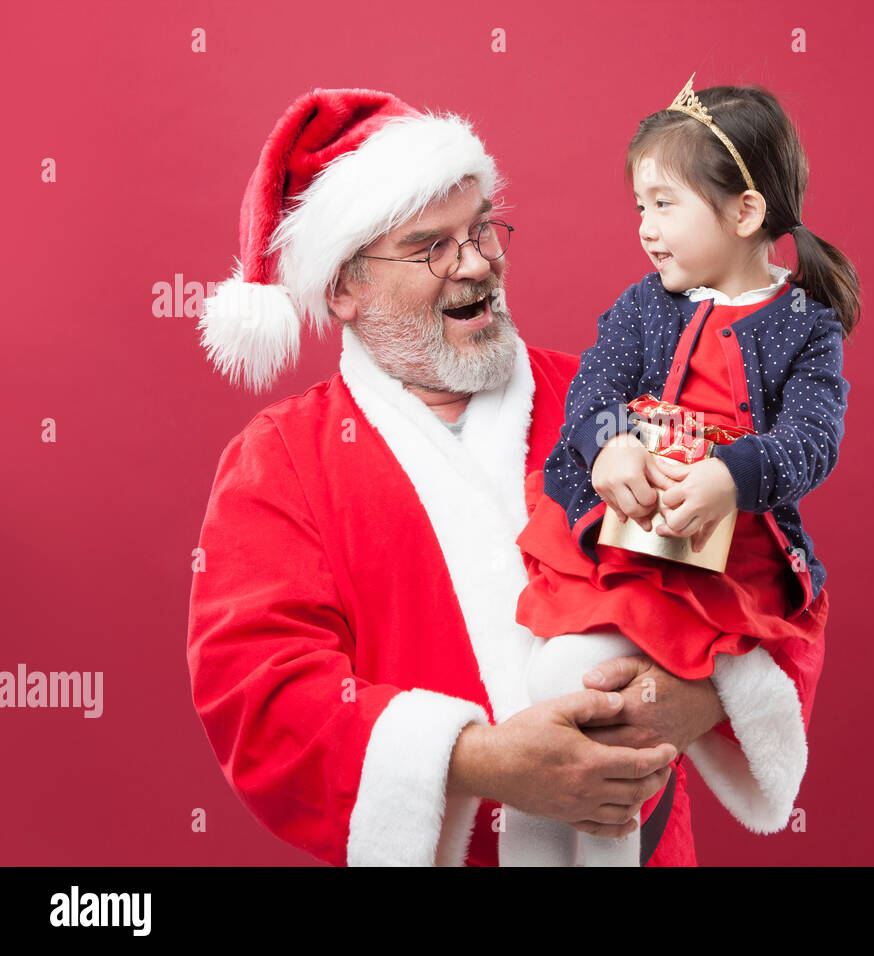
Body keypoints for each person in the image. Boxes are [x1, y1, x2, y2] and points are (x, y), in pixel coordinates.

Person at [186, 87, 827, 867]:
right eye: (432, 247)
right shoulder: (279, 463)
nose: (478, 262)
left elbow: (775, 568)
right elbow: (262, 693)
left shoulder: (618, 401)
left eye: (482, 227)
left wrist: (700, 698)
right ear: (342, 288)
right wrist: (482, 760)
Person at [503, 74, 859, 865]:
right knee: (564, 694)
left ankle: (735, 693)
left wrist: (732, 476)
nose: (644, 227)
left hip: (726, 567)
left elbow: (812, 439)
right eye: (639, 206)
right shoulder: (643, 305)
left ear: (745, 212)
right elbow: (592, 390)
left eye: (665, 204)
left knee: (579, 696)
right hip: (620, 544)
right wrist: (613, 446)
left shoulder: (805, 326)